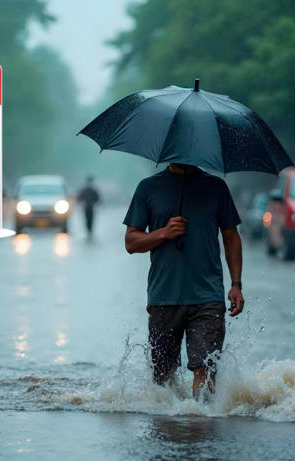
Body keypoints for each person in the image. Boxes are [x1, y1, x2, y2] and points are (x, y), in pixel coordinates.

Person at [123, 163, 244, 399]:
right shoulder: (148, 188)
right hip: (164, 296)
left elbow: (231, 237)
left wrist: (236, 284)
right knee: (162, 376)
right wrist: (164, 233)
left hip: (208, 297)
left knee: (205, 369)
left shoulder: (216, 187)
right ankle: (169, 427)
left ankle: (201, 426)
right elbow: (131, 242)